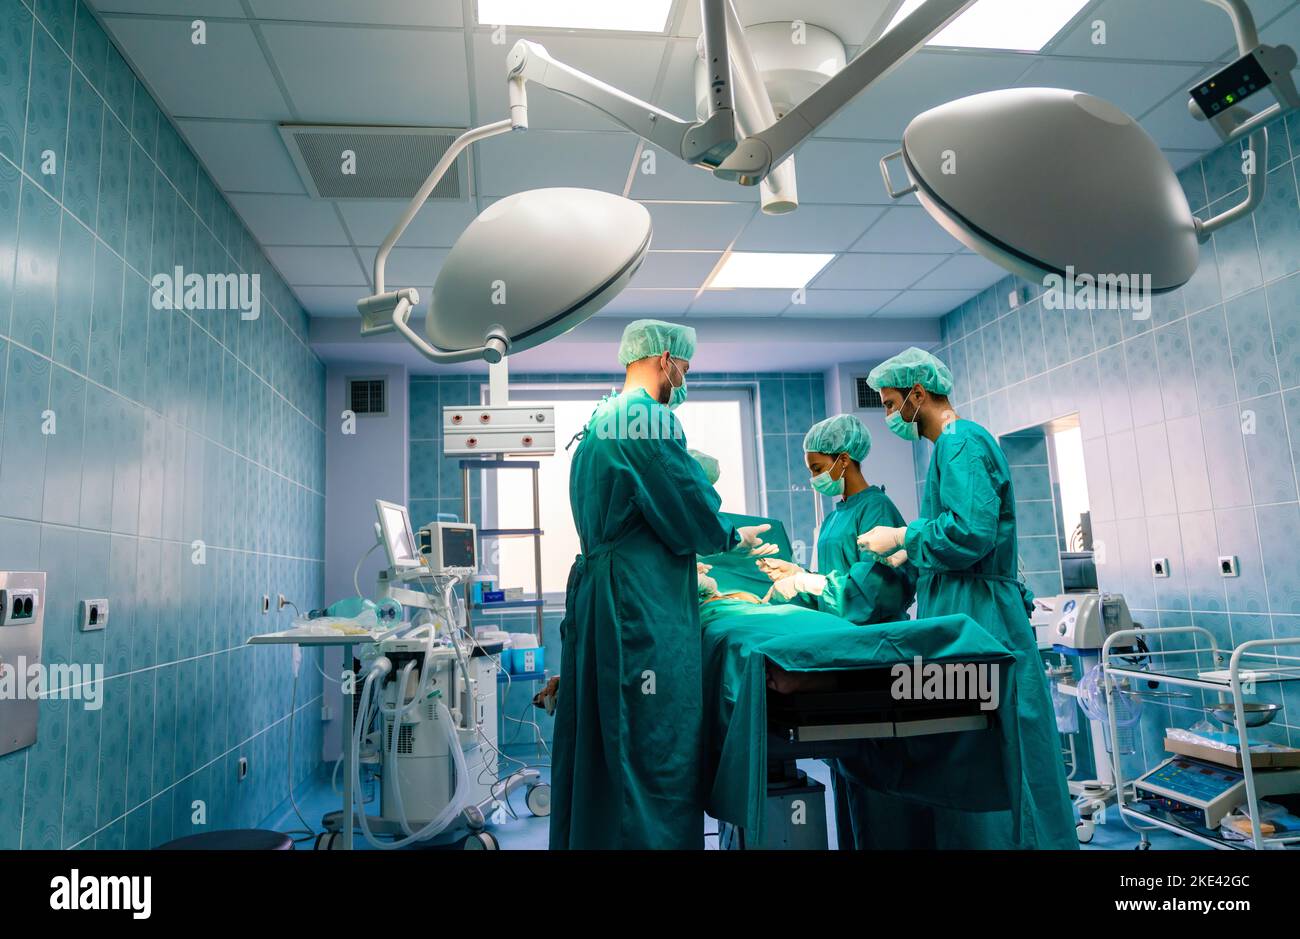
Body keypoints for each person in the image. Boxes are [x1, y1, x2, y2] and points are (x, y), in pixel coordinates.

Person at [550, 319, 776, 850]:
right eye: (685, 368)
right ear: (664, 358)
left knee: (608, 752)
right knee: (649, 746)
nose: (684, 379)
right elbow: (689, 509)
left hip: (608, 598)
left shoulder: (599, 422)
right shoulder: (644, 420)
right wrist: (729, 536)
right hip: (639, 606)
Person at [857, 347, 1076, 849]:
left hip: (980, 619)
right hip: (964, 609)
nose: (891, 415)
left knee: (997, 746)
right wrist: (908, 555)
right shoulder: (949, 448)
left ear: (918, 393)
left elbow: (969, 533)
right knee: (971, 744)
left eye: (892, 404)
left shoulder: (959, 442)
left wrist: (905, 537)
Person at [756, 413, 919, 850]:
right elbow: (838, 576)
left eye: (816, 467)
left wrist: (810, 584)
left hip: (875, 652)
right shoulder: (836, 515)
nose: (813, 478)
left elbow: (874, 594)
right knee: (851, 770)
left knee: (879, 776)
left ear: (843, 459)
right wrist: (801, 574)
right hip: (844, 648)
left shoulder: (877, 510)